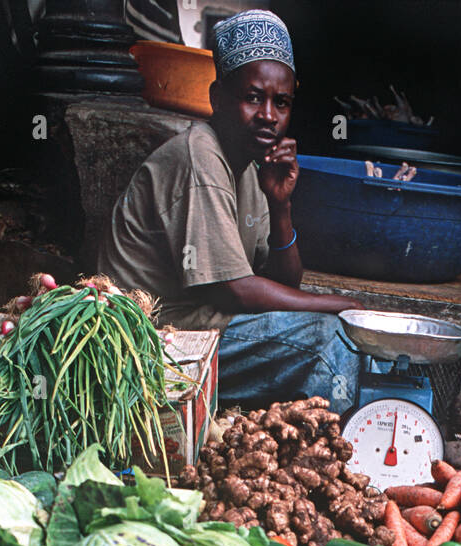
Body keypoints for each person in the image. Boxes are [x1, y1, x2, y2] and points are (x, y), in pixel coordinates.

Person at [99, 8, 362, 410]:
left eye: (282, 102)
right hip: (152, 344)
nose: (269, 116)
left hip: (205, 328)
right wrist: (343, 305)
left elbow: (284, 284)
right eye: (253, 98)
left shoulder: (252, 165)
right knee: (324, 338)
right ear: (217, 97)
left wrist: (281, 205)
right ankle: (336, 458)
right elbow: (234, 289)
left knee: (334, 331)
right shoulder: (199, 155)